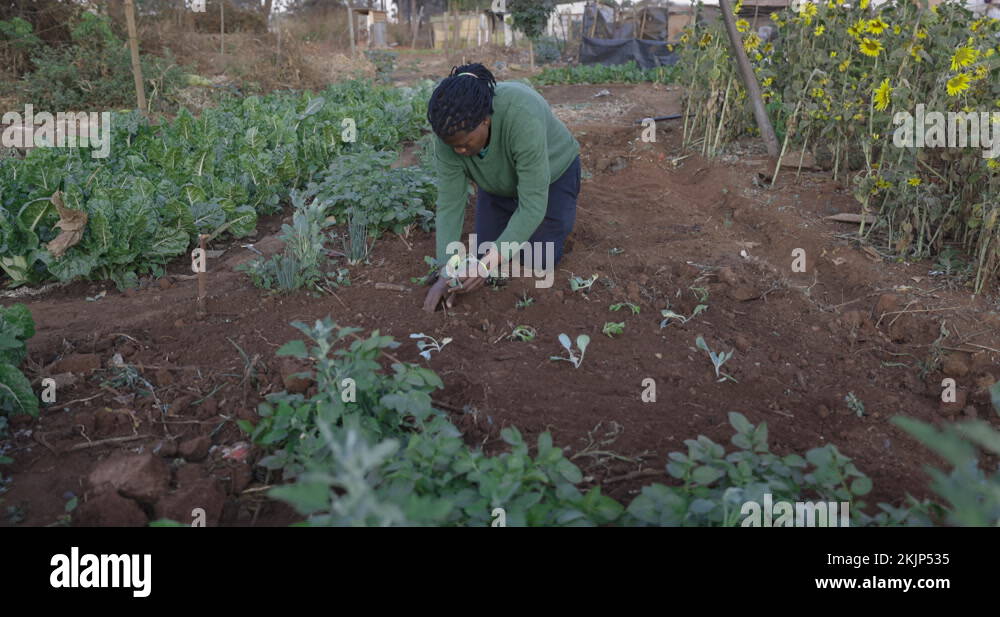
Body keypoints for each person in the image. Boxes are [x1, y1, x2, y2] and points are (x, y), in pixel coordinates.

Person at [422, 63, 581, 312]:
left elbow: (531, 206)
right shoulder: (448, 132)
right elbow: (450, 205)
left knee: (536, 259)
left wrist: (485, 266)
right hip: (498, 186)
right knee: (488, 253)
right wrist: (447, 268)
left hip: (552, 178)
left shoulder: (521, 113)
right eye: (453, 146)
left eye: (464, 144)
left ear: (485, 120)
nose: (459, 151)